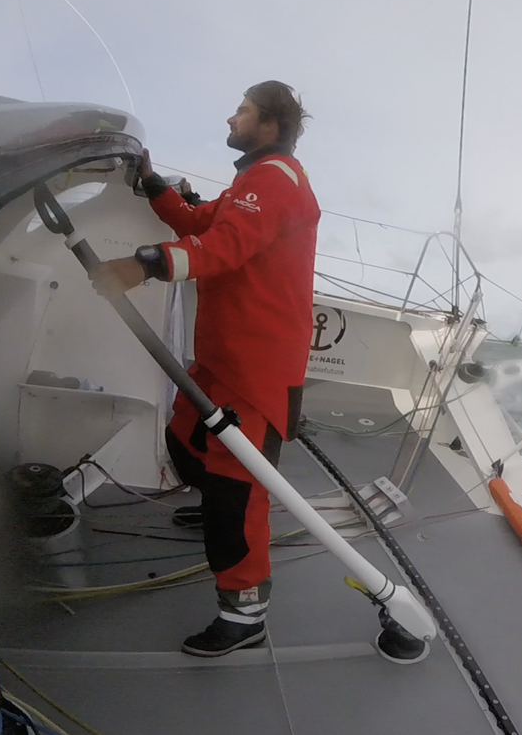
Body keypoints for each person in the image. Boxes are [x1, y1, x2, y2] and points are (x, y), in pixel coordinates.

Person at [90, 80, 320, 657]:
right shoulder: (252, 181)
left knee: (239, 494)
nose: (231, 118)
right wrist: (153, 185)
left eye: (243, 110)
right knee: (184, 438)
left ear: (270, 124)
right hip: (224, 357)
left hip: (258, 370)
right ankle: (214, 497)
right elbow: (199, 223)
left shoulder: (275, 181)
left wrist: (144, 264)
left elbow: (226, 246)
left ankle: (245, 613)